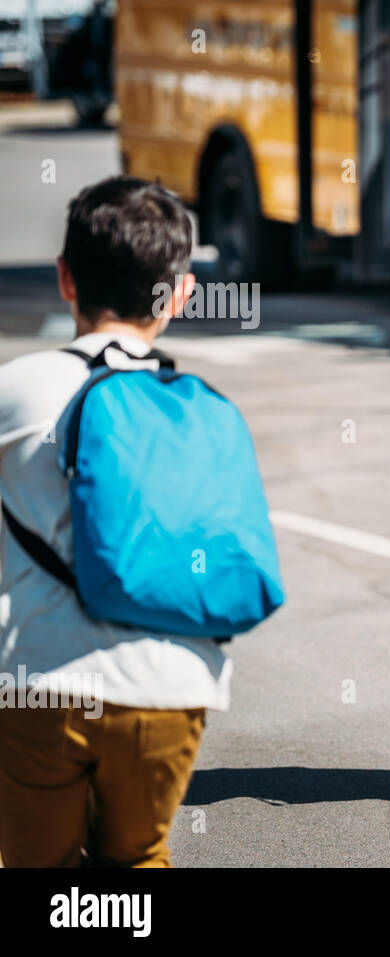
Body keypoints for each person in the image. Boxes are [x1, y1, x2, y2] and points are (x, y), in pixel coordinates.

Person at [0, 176, 225, 867]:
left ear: (65, 278)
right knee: (137, 863)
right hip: (173, 689)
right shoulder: (201, 406)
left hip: (40, 683)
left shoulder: (15, 388)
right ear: (181, 293)